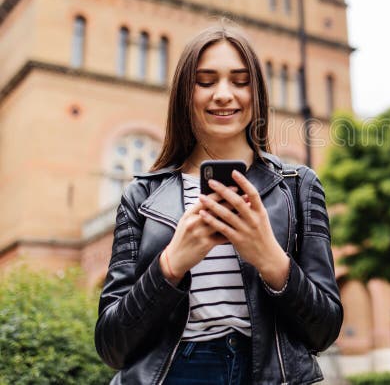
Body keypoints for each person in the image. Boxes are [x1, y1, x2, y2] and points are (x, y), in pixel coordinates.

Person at [95, 22, 342, 384]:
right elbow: (111, 346)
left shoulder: (298, 187)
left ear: (256, 93)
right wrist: (171, 264)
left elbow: (325, 330)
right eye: (206, 81)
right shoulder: (142, 196)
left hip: (267, 375)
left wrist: (270, 258)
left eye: (240, 81)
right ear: (185, 93)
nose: (224, 94)